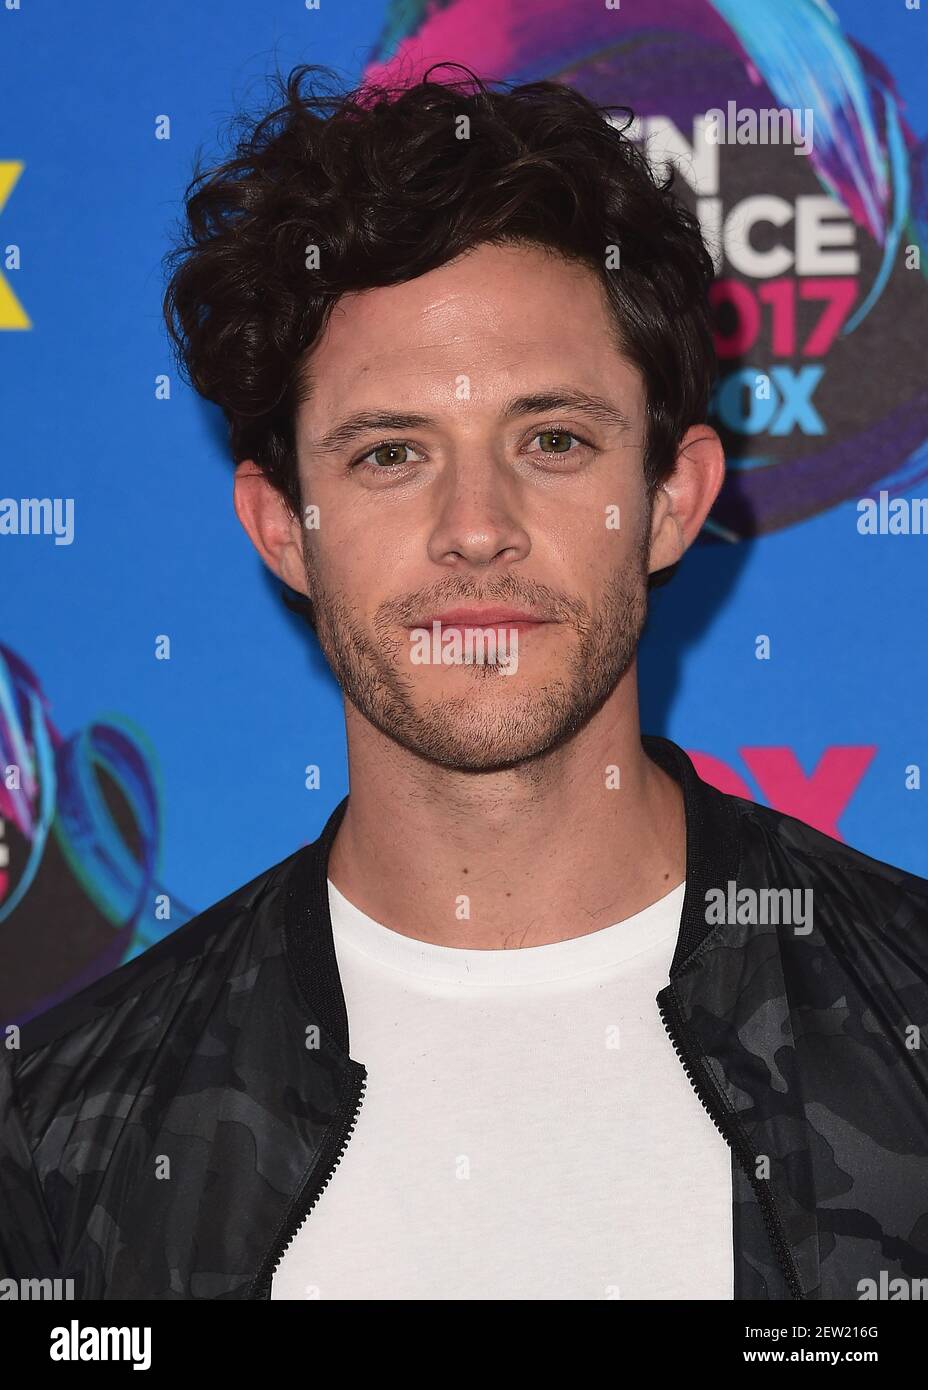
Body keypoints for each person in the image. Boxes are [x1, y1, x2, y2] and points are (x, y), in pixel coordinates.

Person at [2, 64, 927, 1302]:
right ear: (284, 528)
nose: (475, 528)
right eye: (391, 454)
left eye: (552, 440)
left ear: (670, 500)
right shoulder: (65, 1137)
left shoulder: (905, 1026)